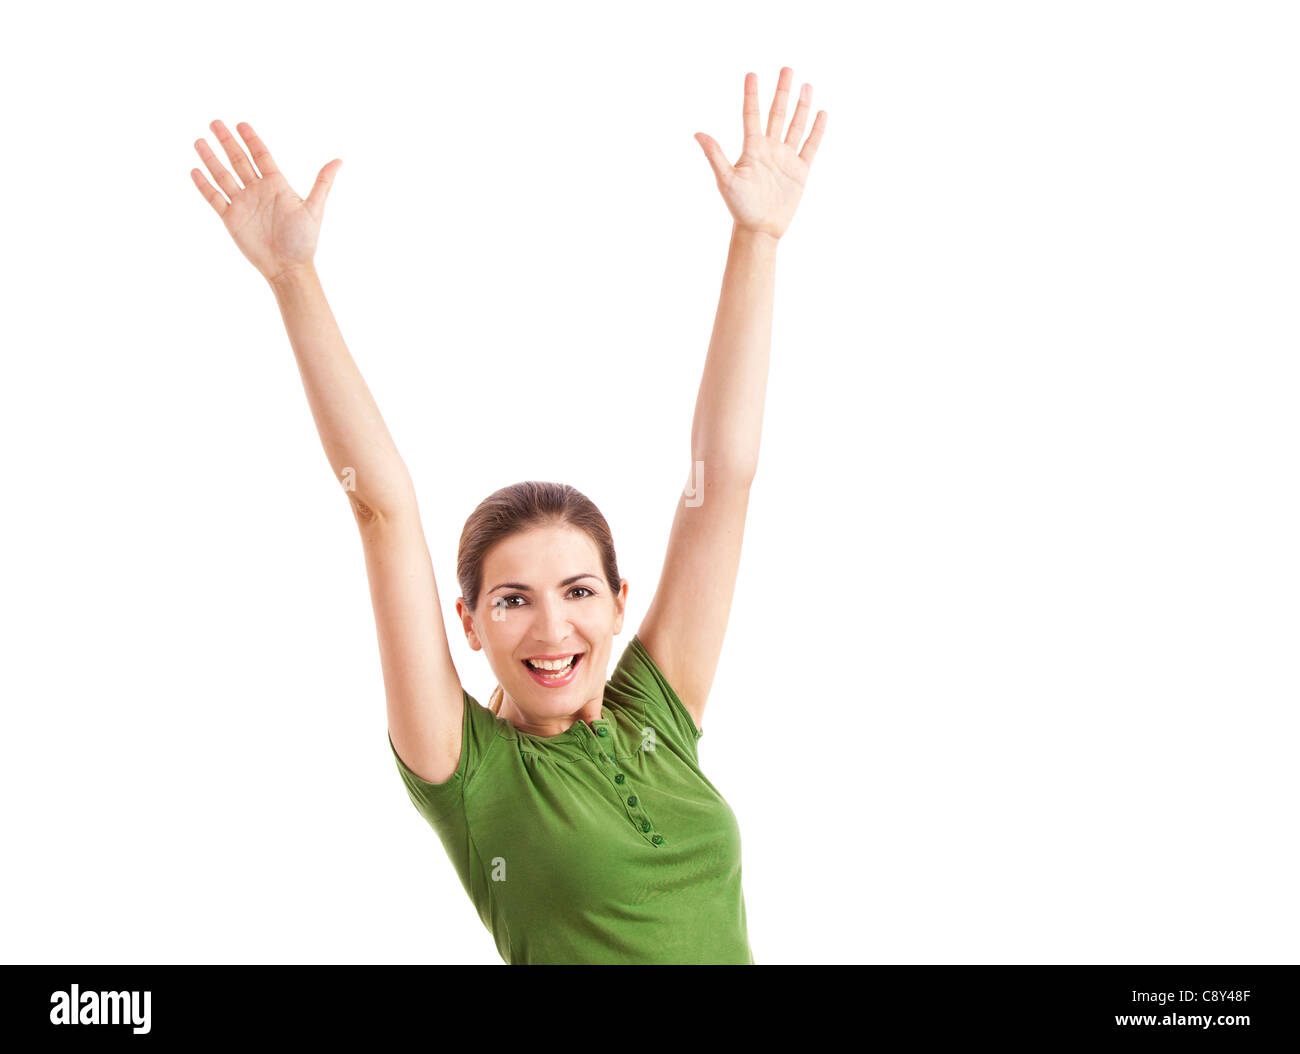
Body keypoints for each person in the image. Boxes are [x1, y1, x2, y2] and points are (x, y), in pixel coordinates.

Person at [189, 66, 827, 964]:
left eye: (576, 590)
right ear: (471, 624)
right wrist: (293, 275)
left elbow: (719, 481)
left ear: (616, 600)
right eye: (513, 600)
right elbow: (382, 509)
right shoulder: (472, 772)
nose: (552, 626)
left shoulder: (658, 711)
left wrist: (756, 239)